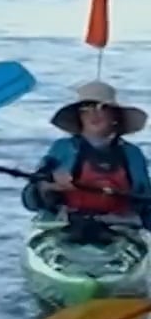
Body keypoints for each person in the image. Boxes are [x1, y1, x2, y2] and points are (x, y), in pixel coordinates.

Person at [22, 80, 151, 228]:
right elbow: (29, 200)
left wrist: (127, 219)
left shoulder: (132, 154)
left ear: (115, 116)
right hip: (66, 227)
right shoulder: (62, 149)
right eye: (86, 108)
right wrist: (49, 186)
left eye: (102, 107)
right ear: (79, 117)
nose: (94, 113)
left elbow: (147, 204)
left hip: (119, 230)